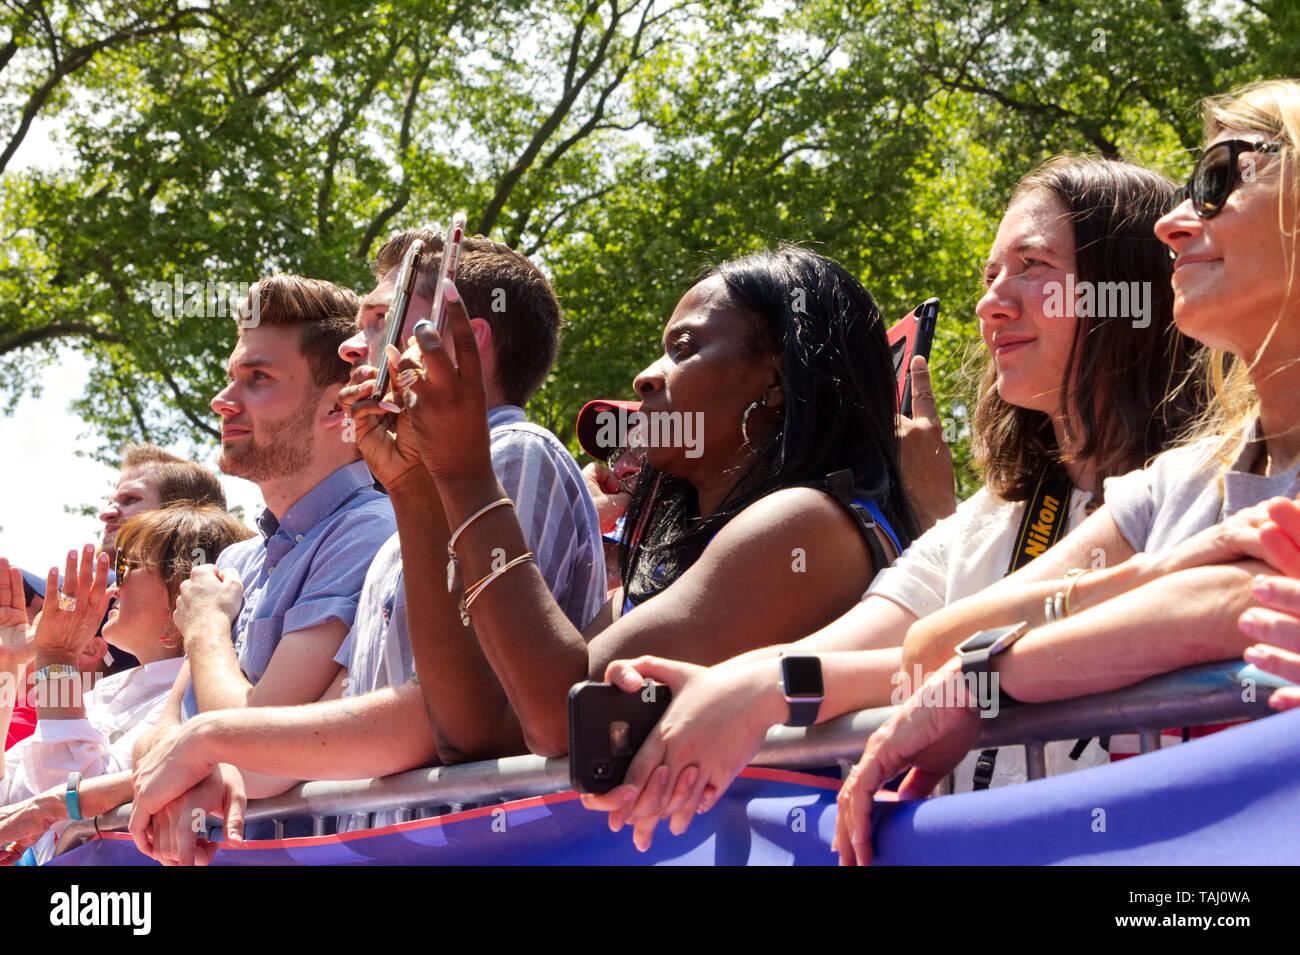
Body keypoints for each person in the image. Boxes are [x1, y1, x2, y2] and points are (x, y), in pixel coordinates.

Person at [579, 155, 1214, 849]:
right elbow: (865, 647)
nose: (992, 302)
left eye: (1033, 265)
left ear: (1127, 290)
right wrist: (736, 687)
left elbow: (926, 647)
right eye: (990, 275)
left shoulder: (1212, 484)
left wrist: (767, 688)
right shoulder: (982, 525)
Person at [834, 78, 1300, 864]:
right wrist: (1168, 570)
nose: (1174, 221)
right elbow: (935, 641)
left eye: (1221, 178)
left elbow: (1251, 595)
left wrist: (983, 681)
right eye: (988, 276)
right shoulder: (1184, 483)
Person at [127, 231, 607, 860]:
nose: (355, 344)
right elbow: (351, 718)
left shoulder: (509, 454)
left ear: (466, 340)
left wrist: (213, 734)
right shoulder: (410, 500)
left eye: (380, 319)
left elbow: (465, 719)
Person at [376, 246, 918, 768]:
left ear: (775, 381)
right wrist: (412, 486)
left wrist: (467, 472)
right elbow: (477, 732)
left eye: (684, 348)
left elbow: (554, 720)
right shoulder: (669, 566)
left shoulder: (807, 525)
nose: (646, 377)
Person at [0, 504, 250, 862]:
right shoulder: (106, 692)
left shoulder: (195, 699)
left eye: (128, 566)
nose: (114, 586)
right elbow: (9, 795)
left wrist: (56, 656)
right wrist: (7, 665)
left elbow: (69, 798)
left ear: (184, 588)